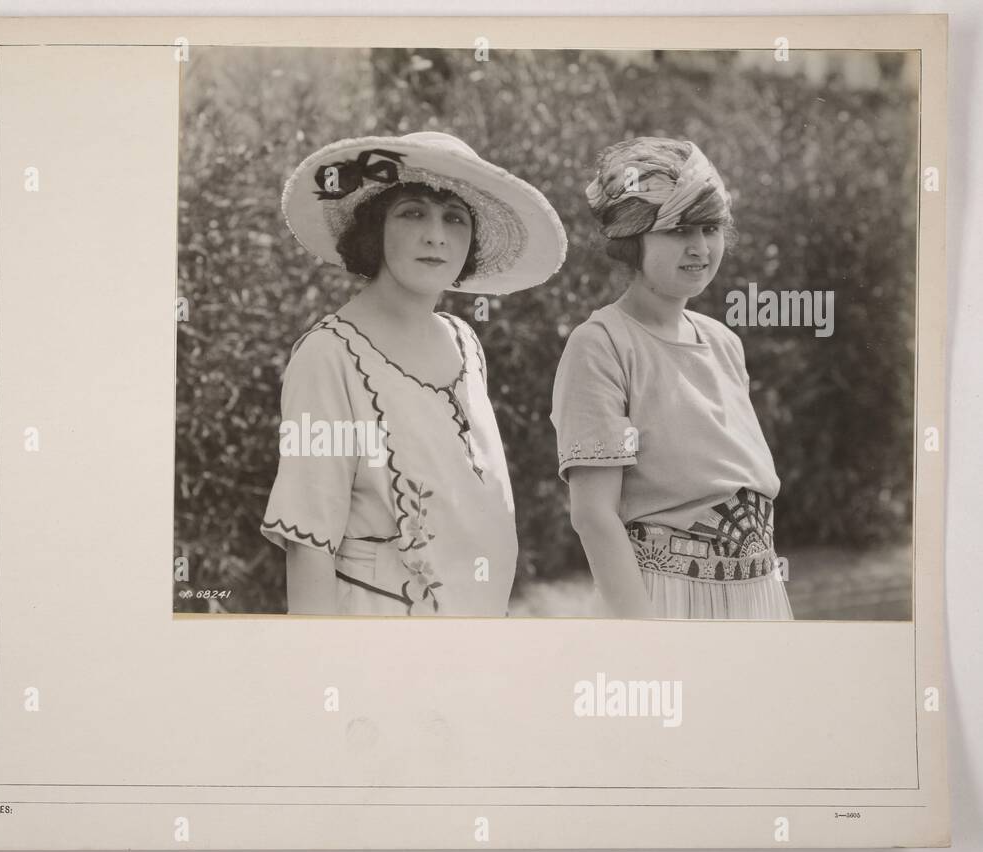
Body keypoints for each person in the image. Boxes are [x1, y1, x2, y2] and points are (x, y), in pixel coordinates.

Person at [262, 131, 567, 616]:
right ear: (373, 227)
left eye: (454, 218)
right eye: (412, 212)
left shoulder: (465, 341)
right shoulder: (330, 356)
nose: (436, 236)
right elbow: (309, 542)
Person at [551, 136, 792, 620]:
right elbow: (594, 515)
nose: (700, 248)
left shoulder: (724, 343)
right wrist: (646, 637)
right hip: (664, 601)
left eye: (710, 228)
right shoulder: (602, 343)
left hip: (758, 595)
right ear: (633, 239)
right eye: (678, 229)